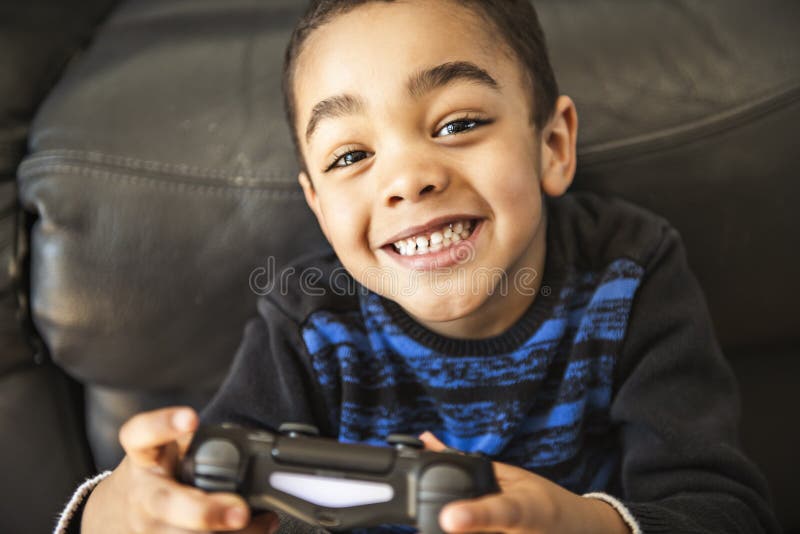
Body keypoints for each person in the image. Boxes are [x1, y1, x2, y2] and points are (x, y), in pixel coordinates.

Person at [57, 1, 780, 533]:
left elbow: (724, 510)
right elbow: (204, 491)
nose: (408, 178)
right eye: (351, 156)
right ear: (317, 207)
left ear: (553, 145)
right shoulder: (313, 324)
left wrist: (575, 524)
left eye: (458, 124)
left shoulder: (628, 273)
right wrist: (116, 511)